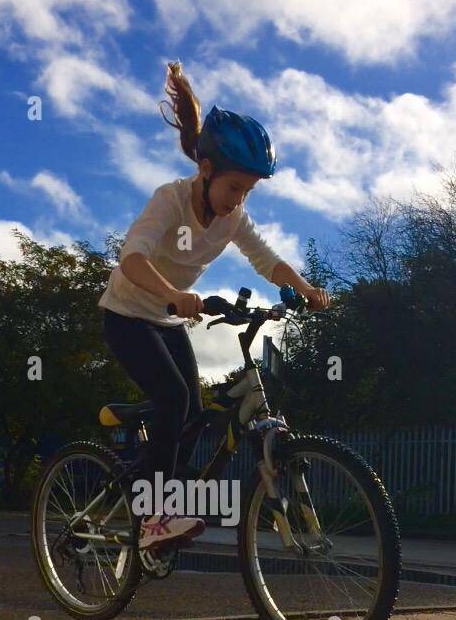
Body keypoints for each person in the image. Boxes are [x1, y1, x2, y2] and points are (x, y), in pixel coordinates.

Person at [98, 60, 330, 551]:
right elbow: (132, 258)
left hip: (165, 321)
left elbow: (267, 259)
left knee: (193, 413)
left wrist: (306, 288)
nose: (238, 200)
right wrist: (174, 294)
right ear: (205, 171)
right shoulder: (171, 200)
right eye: (233, 187)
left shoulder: (233, 218)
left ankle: (153, 489)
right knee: (173, 398)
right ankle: (153, 518)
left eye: (248, 191)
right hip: (126, 314)